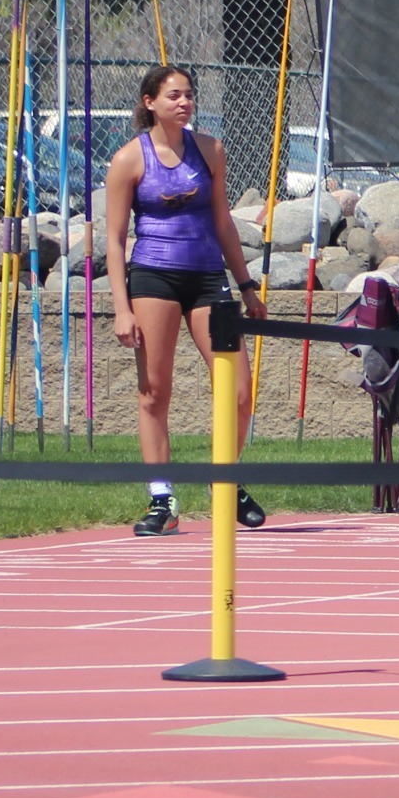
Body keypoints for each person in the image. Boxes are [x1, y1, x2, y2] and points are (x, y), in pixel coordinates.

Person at [103, 65, 268, 537]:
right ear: (149, 102)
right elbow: (114, 241)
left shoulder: (211, 150)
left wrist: (246, 284)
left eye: (189, 95)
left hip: (207, 277)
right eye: (174, 95)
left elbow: (224, 223)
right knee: (155, 391)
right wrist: (122, 305)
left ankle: (226, 482)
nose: (184, 102)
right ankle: (162, 499)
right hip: (153, 277)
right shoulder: (128, 160)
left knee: (238, 393)